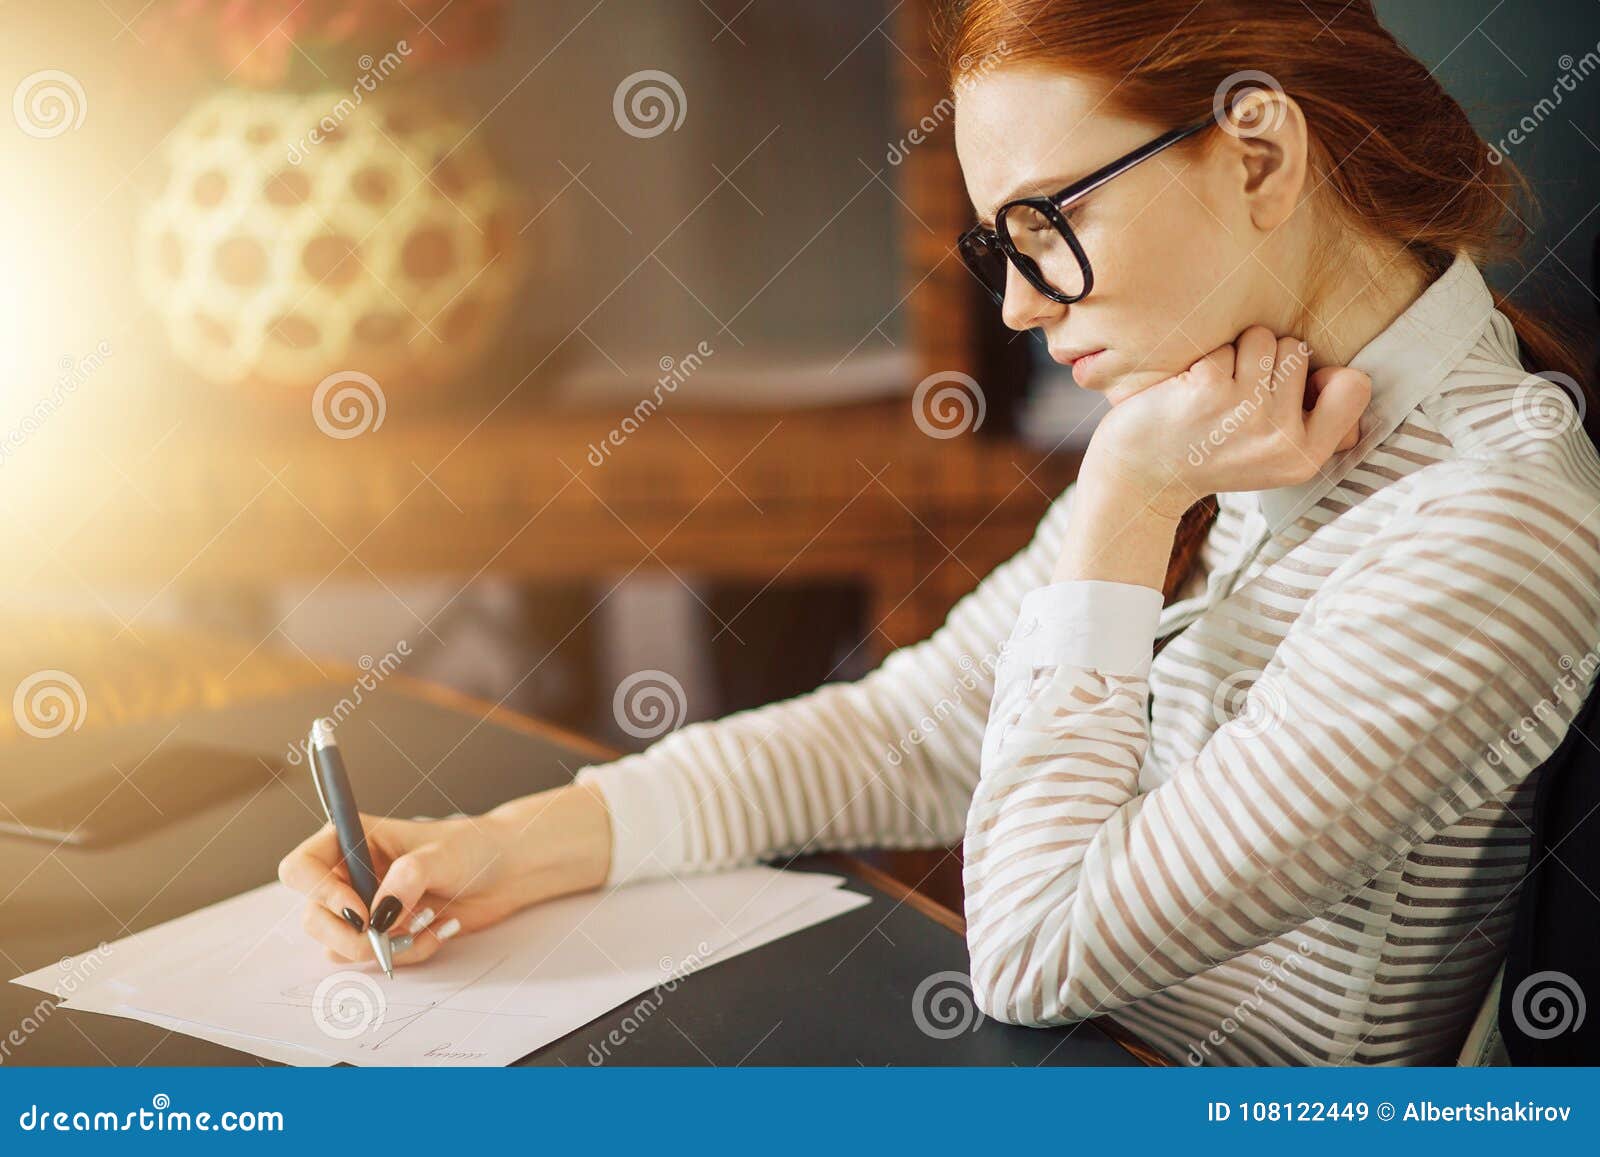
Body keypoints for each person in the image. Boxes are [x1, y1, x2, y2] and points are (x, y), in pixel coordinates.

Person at [279, 0, 1600, 1065]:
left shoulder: (1488, 526)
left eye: (1051, 225)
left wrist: (1126, 505)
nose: (1022, 306)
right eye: (998, 248)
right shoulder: (1226, 414)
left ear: (1259, 152)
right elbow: (920, 724)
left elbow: (1031, 950)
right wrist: (508, 846)